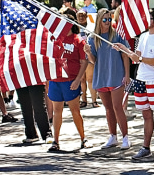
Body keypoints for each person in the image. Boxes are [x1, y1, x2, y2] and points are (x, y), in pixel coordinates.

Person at [126, 8, 154, 160]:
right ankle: (146, 147)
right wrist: (124, 50)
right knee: (146, 114)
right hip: (140, 78)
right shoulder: (143, 36)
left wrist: (139, 59)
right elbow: (136, 57)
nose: (145, 21)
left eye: (149, 18)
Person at [87, 9, 131, 150]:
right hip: (102, 76)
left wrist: (127, 75)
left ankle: (125, 137)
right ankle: (113, 136)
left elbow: (125, 56)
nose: (107, 22)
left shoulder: (117, 35)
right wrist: (88, 52)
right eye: (105, 19)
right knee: (108, 108)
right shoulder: (93, 38)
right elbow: (94, 60)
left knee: (118, 107)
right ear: (99, 20)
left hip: (117, 75)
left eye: (109, 19)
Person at [48, 9, 88, 152]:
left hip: (70, 80)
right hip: (55, 80)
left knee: (74, 110)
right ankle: (55, 141)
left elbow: (84, 62)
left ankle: (83, 139)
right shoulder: (55, 38)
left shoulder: (78, 40)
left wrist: (78, 80)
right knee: (56, 110)